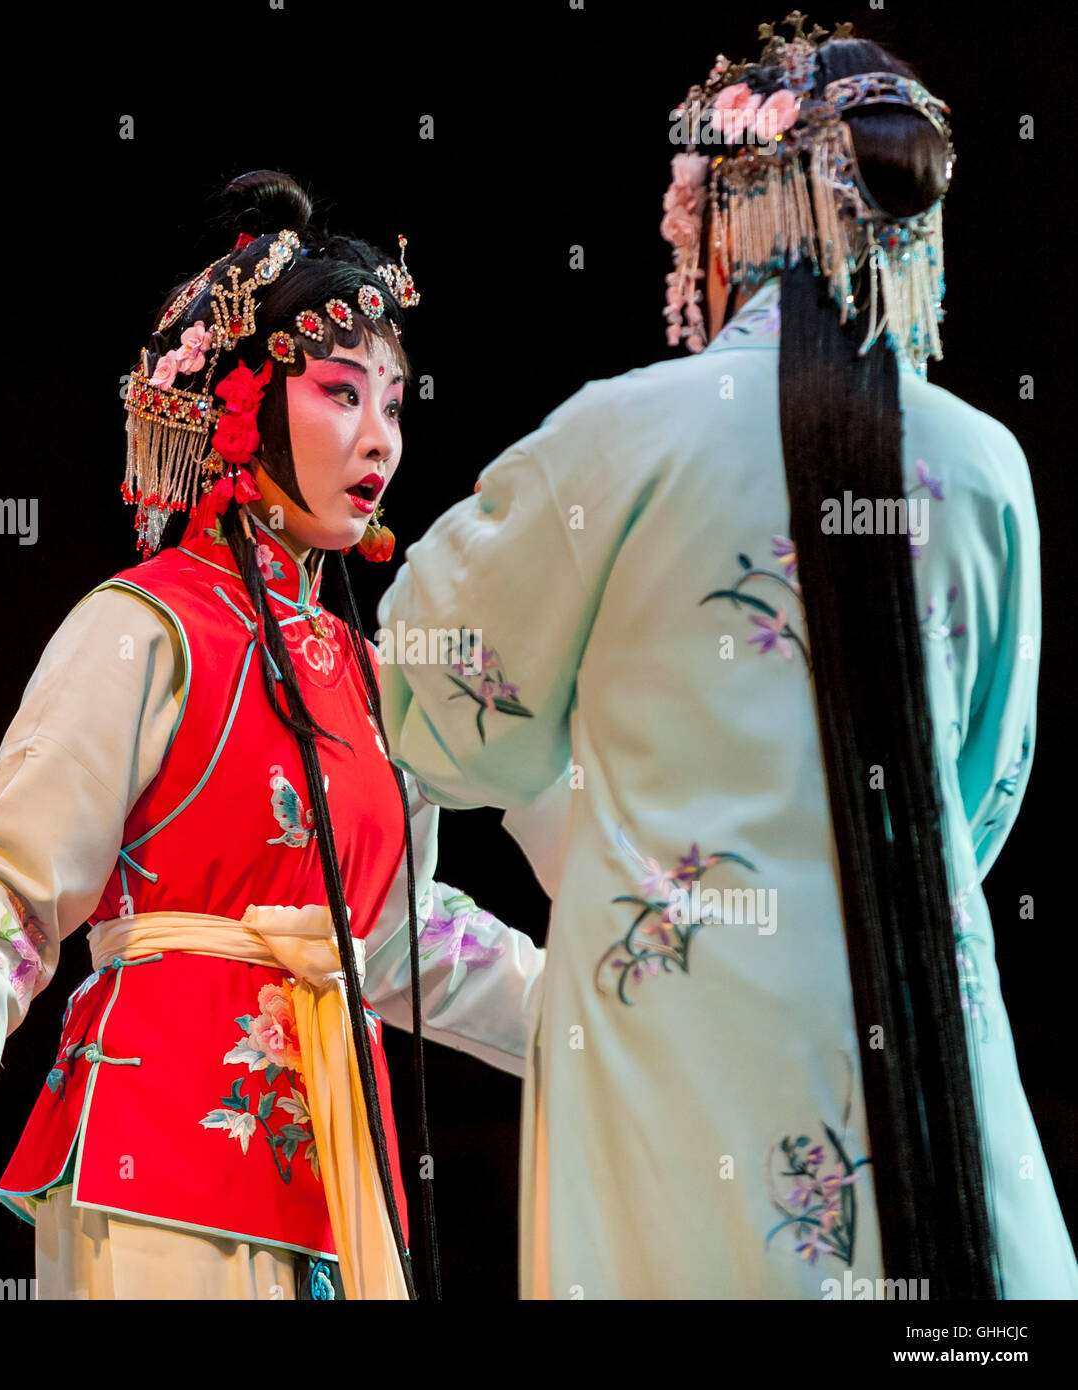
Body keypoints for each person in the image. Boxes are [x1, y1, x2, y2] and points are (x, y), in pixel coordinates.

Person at [376, 19, 1078, 1299]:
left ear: (729, 222)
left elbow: (438, 708)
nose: (667, 248)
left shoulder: (618, 440)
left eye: (676, 223)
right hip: (915, 999)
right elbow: (981, 788)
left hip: (671, 1023)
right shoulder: (986, 468)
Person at [0, 171, 544, 1301]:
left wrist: (598, 1009)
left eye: (393, 402)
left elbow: (396, 938)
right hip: (161, 1151)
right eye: (343, 393)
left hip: (338, 1145)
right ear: (239, 407)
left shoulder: (368, 672)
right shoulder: (139, 626)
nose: (379, 435)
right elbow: (13, 882)